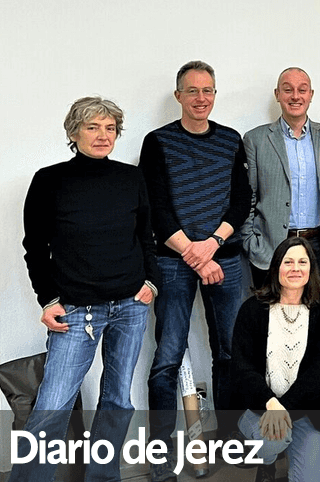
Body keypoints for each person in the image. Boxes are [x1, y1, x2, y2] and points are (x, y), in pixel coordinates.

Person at [11, 97, 158, 482]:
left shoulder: (131, 178)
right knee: (52, 408)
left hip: (130, 305)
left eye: (110, 128)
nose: (102, 135)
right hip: (76, 311)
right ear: (73, 133)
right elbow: (34, 247)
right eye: (93, 127)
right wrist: (49, 300)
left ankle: (103, 477)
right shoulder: (49, 180)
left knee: (117, 400)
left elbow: (146, 237)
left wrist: (150, 283)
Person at [140, 61, 251, 478]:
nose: (201, 98)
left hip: (223, 256)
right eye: (192, 91)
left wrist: (212, 245)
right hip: (173, 261)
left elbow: (241, 201)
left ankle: (226, 439)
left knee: (229, 351)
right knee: (167, 358)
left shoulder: (230, 140)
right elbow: (156, 208)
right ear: (178, 96)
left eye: (208, 90)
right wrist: (194, 254)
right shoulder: (158, 142)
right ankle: (161, 450)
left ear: (215, 94)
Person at [242, 66, 320, 448]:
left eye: (302, 89)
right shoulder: (255, 139)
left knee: (319, 334)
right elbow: (246, 198)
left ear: (312, 94)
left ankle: (317, 417)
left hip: (319, 247)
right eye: (288, 89)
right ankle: (269, 411)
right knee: (271, 332)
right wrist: (254, 243)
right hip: (274, 248)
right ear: (277, 94)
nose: (295, 95)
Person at [230, 236, 320, 482]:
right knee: (272, 441)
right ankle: (266, 461)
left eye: (302, 262)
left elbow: (318, 375)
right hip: (259, 409)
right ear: (276, 268)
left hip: (302, 414)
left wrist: (283, 408)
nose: (295, 269)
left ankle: (282, 447)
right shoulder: (253, 310)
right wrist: (271, 403)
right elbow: (242, 369)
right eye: (288, 262)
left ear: (311, 268)